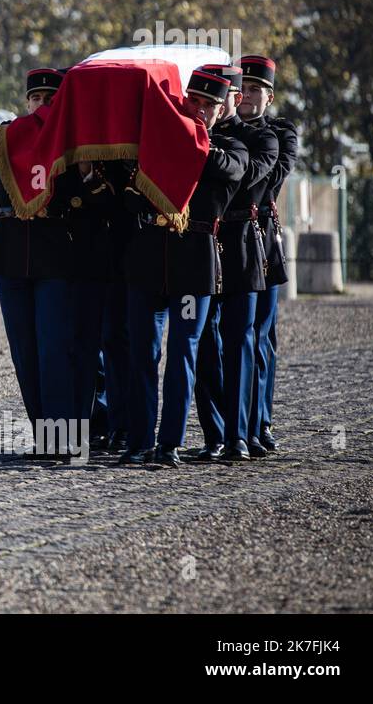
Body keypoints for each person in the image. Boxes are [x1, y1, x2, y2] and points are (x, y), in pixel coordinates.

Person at [124, 70, 248, 466]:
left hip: (194, 264)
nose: (200, 110)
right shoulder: (158, 140)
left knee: (183, 352)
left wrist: (178, 134)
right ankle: (140, 439)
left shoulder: (232, 149)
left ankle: (169, 443)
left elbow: (223, 168)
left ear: (222, 108)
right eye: (193, 101)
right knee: (141, 351)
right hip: (149, 258)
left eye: (209, 105)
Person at [0, 69, 77, 440]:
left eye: (49, 100)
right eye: (35, 99)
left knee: (53, 345)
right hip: (12, 250)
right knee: (24, 348)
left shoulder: (72, 141)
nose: (41, 106)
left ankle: (64, 435)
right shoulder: (9, 134)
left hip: (54, 249)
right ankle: (43, 432)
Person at [192, 63, 278, 462]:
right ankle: (213, 434)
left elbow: (243, 180)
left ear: (235, 98)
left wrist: (204, 148)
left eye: (220, 96)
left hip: (242, 244)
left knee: (241, 341)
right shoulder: (195, 135)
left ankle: (239, 434)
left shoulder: (263, 139)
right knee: (206, 342)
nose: (212, 104)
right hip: (204, 243)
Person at [238, 55, 297, 452]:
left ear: (269, 96)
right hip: (228, 241)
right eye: (243, 86)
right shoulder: (221, 130)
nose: (248, 94)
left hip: (261, 241)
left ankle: (261, 421)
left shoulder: (280, 133)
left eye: (257, 88)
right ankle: (234, 428)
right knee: (231, 339)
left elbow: (271, 176)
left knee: (261, 338)